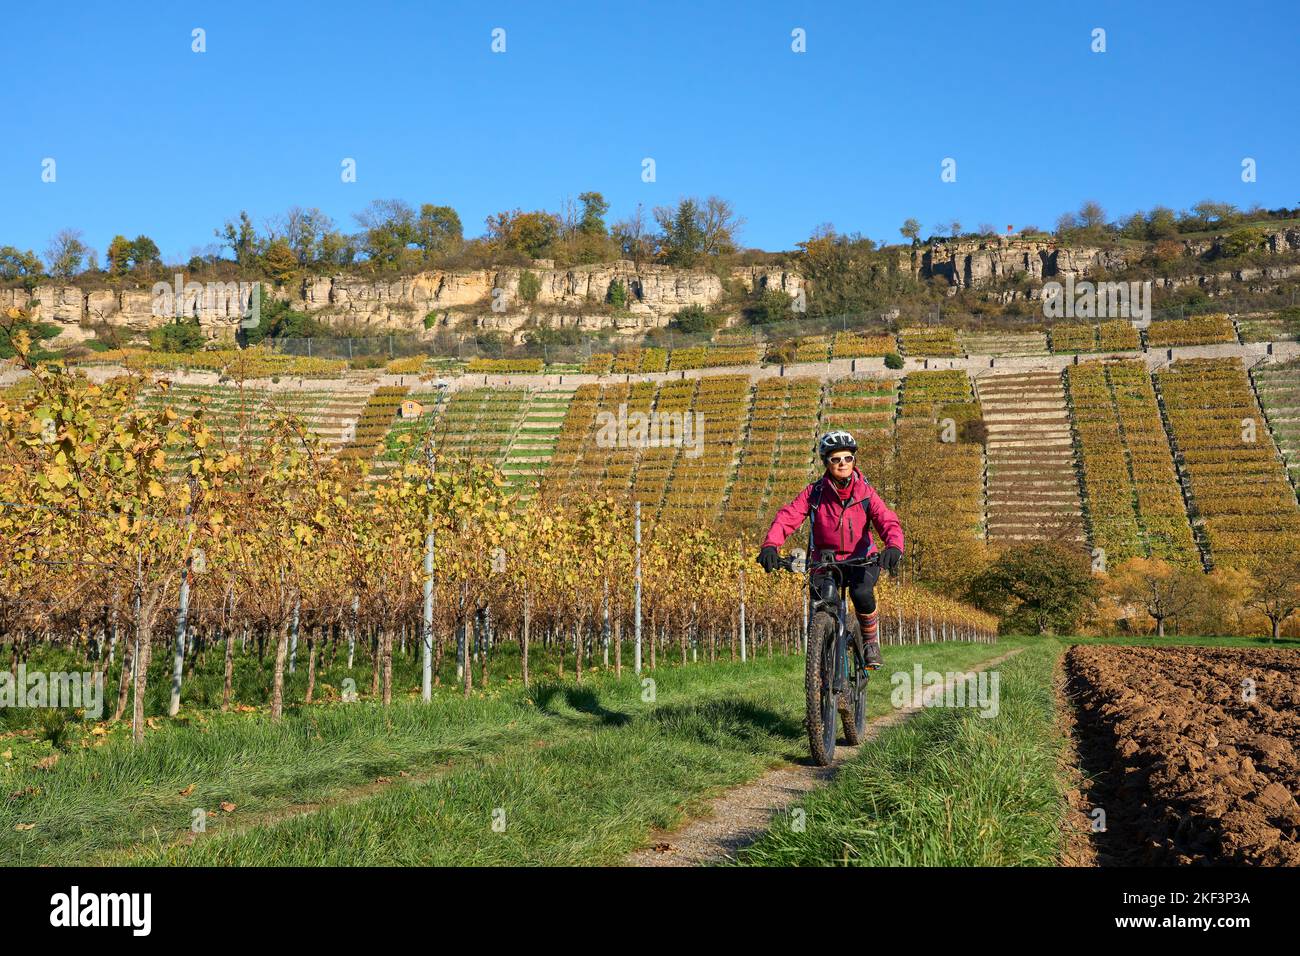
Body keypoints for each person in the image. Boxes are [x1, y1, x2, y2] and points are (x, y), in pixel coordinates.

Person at [756, 429, 904, 668]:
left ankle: (870, 642)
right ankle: (823, 671)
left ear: (854, 460)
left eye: (847, 458)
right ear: (826, 462)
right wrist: (771, 545)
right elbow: (788, 517)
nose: (842, 463)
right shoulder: (814, 493)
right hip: (824, 562)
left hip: (861, 560)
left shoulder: (866, 493)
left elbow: (886, 520)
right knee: (823, 605)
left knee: (862, 594)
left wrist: (894, 546)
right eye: (836, 459)